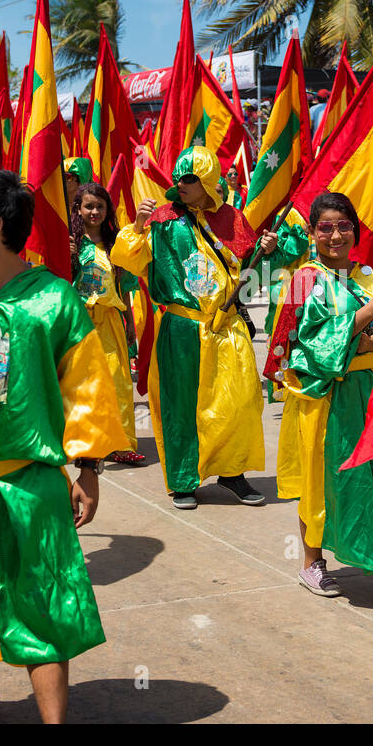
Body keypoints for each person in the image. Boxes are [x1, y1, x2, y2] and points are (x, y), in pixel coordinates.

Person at [0, 169, 130, 724]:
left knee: (45, 605)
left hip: (31, 483)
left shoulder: (54, 300)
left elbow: (86, 388)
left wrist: (87, 469)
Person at [267, 192, 373, 605]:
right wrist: (365, 319)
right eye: (326, 227)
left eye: (344, 227)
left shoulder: (369, 277)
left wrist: (363, 338)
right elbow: (310, 348)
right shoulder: (304, 280)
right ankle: (312, 562)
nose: (336, 235)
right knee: (321, 482)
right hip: (324, 400)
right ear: (311, 232)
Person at [112, 146, 277, 509]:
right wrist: (138, 226)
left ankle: (232, 473)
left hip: (227, 327)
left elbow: (251, 275)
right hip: (183, 328)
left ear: (207, 180)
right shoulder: (163, 218)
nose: (180, 184)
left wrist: (267, 249)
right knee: (182, 405)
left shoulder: (233, 218)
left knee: (237, 403)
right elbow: (127, 260)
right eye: (179, 177)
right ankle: (184, 479)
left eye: (189, 178)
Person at [71, 181, 143, 465]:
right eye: (88, 206)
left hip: (111, 319)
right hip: (81, 322)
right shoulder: (72, 243)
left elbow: (124, 286)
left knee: (118, 382)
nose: (94, 211)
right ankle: (85, 441)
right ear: (78, 209)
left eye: (100, 206)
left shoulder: (116, 245)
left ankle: (121, 443)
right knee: (83, 384)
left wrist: (129, 323)